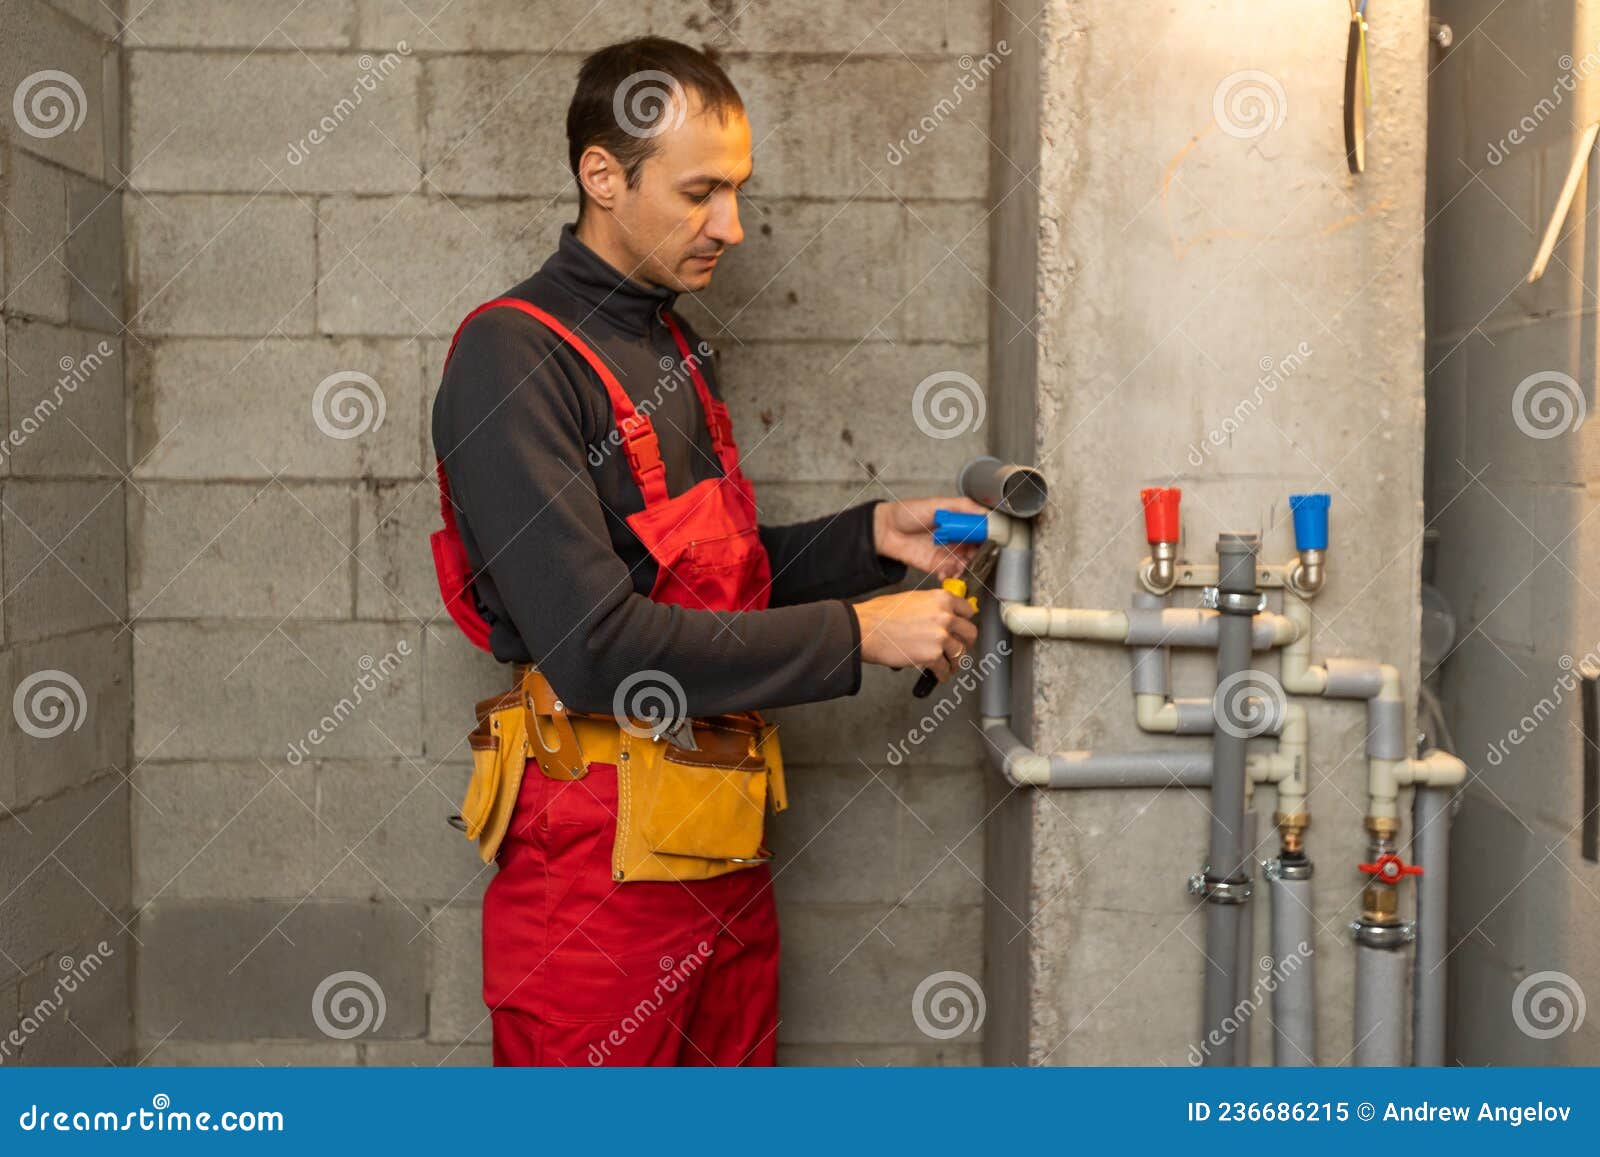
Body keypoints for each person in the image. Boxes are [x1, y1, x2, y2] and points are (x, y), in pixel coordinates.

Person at [430, 35, 982, 1067]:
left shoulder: (671, 349)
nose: (730, 225)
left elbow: (706, 580)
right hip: (598, 877)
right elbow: (597, 643)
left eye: (736, 190)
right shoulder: (512, 356)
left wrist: (869, 537)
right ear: (603, 175)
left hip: (717, 840)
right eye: (700, 193)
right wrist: (857, 633)